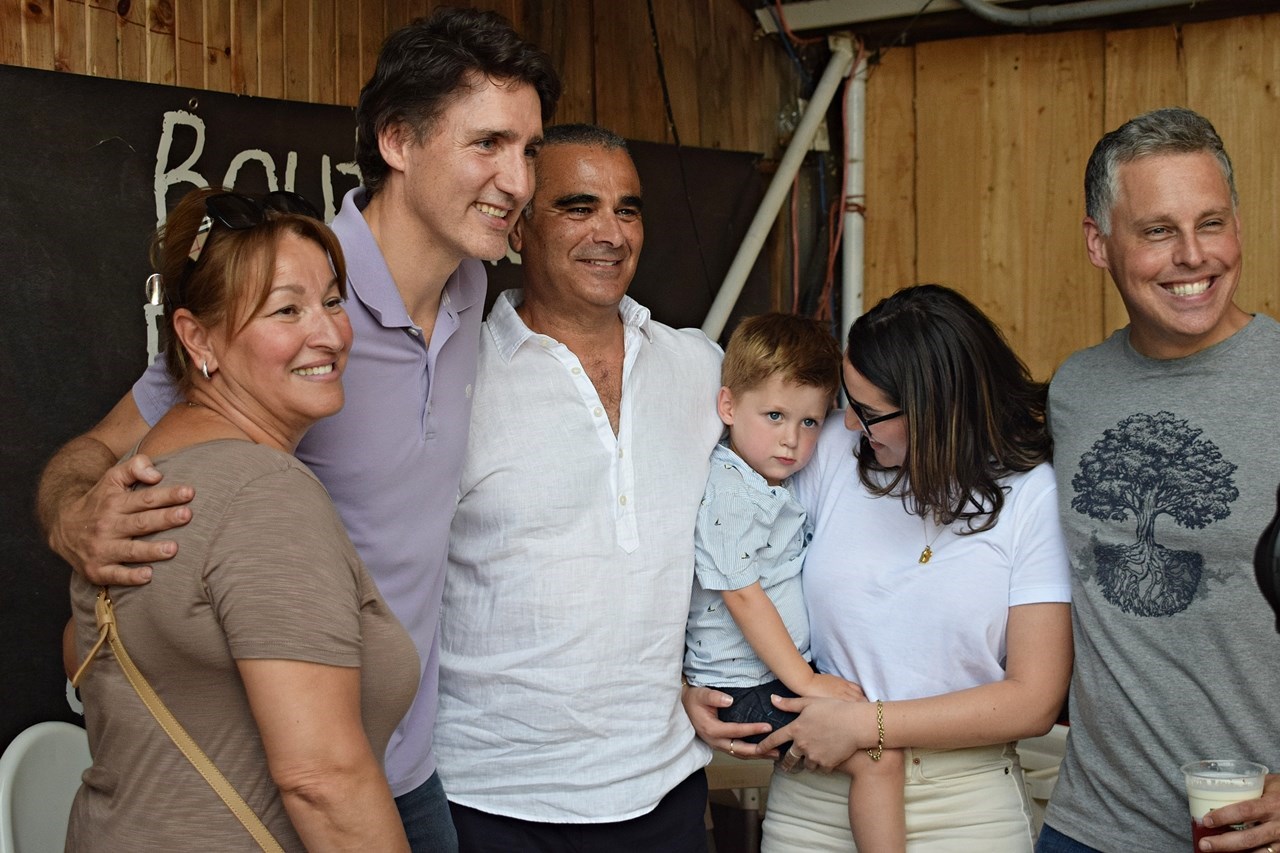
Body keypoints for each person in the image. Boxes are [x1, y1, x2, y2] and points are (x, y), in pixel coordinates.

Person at [36, 10, 560, 851]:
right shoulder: (288, 296)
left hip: (410, 769)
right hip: (290, 782)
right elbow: (101, 450)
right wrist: (73, 514)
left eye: (529, 150)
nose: (518, 180)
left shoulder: (470, 287)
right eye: (488, 144)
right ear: (398, 140)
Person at [65, 187, 417, 850]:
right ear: (198, 337)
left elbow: (85, 650)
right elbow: (323, 781)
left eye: (332, 301)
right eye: (287, 309)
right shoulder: (265, 495)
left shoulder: (138, 476)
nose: (330, 334)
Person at [684, 284, 1072, 850]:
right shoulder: (823, 454)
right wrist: (691, 690)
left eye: (866, 412)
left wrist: (867, 725)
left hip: (966, 808)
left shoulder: (1032, 495)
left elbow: (1034, 701)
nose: (846, 424)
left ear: (936, 410)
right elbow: (712, 561)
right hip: (810, 800)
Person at [436, 123, 724, 852]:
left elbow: (787, 505)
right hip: (492, 799)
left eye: (628, 210)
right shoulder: (456, 380)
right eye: (578, 207)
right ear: (518, 230)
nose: (611, 233)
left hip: (665, 787)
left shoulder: (701, 368)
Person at [1035, 108, 1280, 853]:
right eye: (1157, 230)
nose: (1193, 255)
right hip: (1090, 827)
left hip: (1250, 832)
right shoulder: (1076, 389)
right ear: (1098, 242)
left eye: (1211, 223)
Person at [683, 312, 907, 852]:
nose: (791, 440)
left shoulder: (765, 481)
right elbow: (742, 595)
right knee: (879, 759)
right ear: (728, 406)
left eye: (809, 422)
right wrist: (807, 682)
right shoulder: (730, 493)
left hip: (769, 676)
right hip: (746, 687)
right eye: (775, 415)